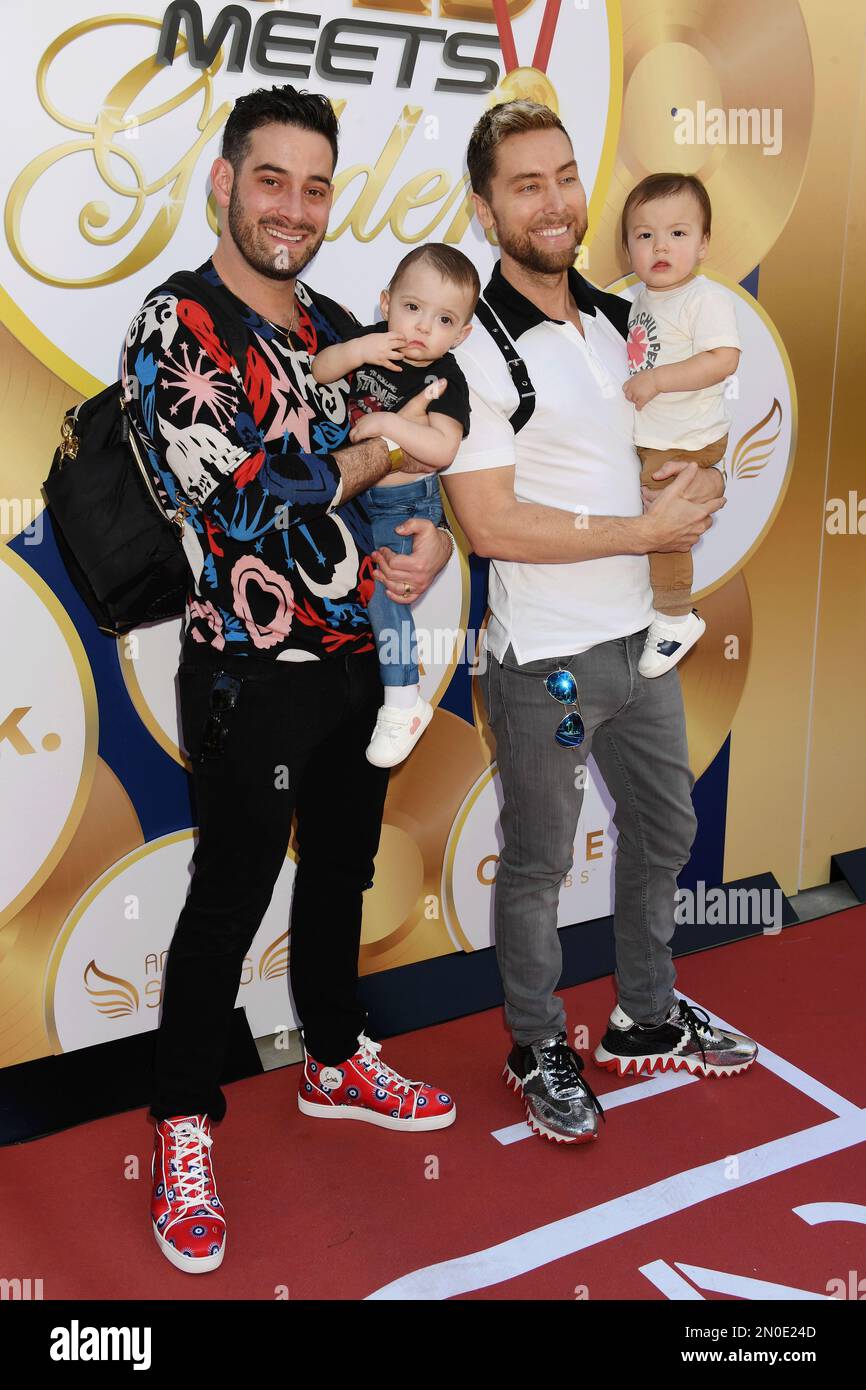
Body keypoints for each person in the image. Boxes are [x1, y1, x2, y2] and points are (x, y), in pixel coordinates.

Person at [121, 85, 457, 1275]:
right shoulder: (178, 324)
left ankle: (332, 1055)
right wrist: (377, 458)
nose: (296, 207)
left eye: (316, 186)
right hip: (247, 670)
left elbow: (414, 456)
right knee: (230, 894)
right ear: (222, 182)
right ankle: (179, 1124)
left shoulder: (332, 316)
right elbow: (255, 493)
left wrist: (430, 543)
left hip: (358, 656)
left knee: (344, 871)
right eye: (273, 179)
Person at [443, 100, 758, 1147]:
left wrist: (681, 497)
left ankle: (641, 1014)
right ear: (486, 210)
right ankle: (536, 1042)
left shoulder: (624, 319)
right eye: (524, 184)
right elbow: (488, 527)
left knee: (664, 829)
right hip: (544, 661)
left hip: (639, 637)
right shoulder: (473, 348)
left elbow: (665, 431)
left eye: (564, 176)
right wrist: (641, 525)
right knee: (536, 863)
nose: (553, 201)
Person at [312, 244, 478, 766]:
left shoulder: (444, 381)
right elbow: (319, 370)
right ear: (386, 302)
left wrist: (388, 426)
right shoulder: (369, 342)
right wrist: (357, 351)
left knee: (388, 596)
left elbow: (442, 448)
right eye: (412, 308)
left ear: (462, 334)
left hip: (402, 504)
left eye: (444, 319)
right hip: (351, 499)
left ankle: (404, 699)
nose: (423, 327)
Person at [622, 172, 742, 676]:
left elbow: (723, 359)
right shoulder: (644, 299)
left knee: (663, 515)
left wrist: (659, 380)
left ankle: (674, 616)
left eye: (678, 233)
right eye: (645, 235)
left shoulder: (703, 299)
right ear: (628, 248)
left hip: (687, 441)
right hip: (660, 438)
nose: (660, 246)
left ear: (704, 243)